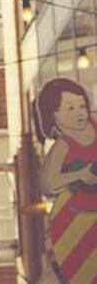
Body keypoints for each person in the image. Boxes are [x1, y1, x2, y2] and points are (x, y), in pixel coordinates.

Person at [34, 77, 97, 210]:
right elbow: (49, 183)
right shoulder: (63, 146)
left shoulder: (95, 121)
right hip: (83, 215)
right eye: (71, 108)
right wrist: (80, 174)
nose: (80, 113)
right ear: (53, 113)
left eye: (82, 106)